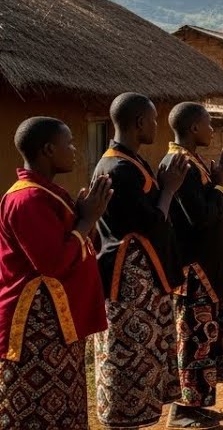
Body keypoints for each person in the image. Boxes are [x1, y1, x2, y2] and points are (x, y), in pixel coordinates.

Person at [1, 117, 110, 430]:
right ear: (48, 150)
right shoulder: (27, 199)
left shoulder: (48, 193)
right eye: (69, 144)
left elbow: (77, 242)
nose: (75, 150)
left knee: (65, 400)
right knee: (38, 405)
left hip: (58, 321)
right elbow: (52, 263)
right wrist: (87, 220)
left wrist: (87, 217)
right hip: (37, 325)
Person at [93, 93, 187, 429]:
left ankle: (138, 417)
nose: (156, 126)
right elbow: (149, 222)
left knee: (146, 352)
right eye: (153, 120)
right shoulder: (118, 168)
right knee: (129, 353)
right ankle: (124, 419)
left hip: (145, 276)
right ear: (139, 123)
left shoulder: (130, 162)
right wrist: (170, 189)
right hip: (129, 277)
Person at [161, 103, 223, 427]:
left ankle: (197, 404)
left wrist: (218, 183)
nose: (212, 130)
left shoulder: (193, 162)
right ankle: (182, 407)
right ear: (193, 128)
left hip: (209, 267)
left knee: (205, 339)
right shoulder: (180, 164)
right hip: (194, 271)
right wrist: (221, 183)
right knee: (193, 339)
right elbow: (201, 217)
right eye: (208, 124)